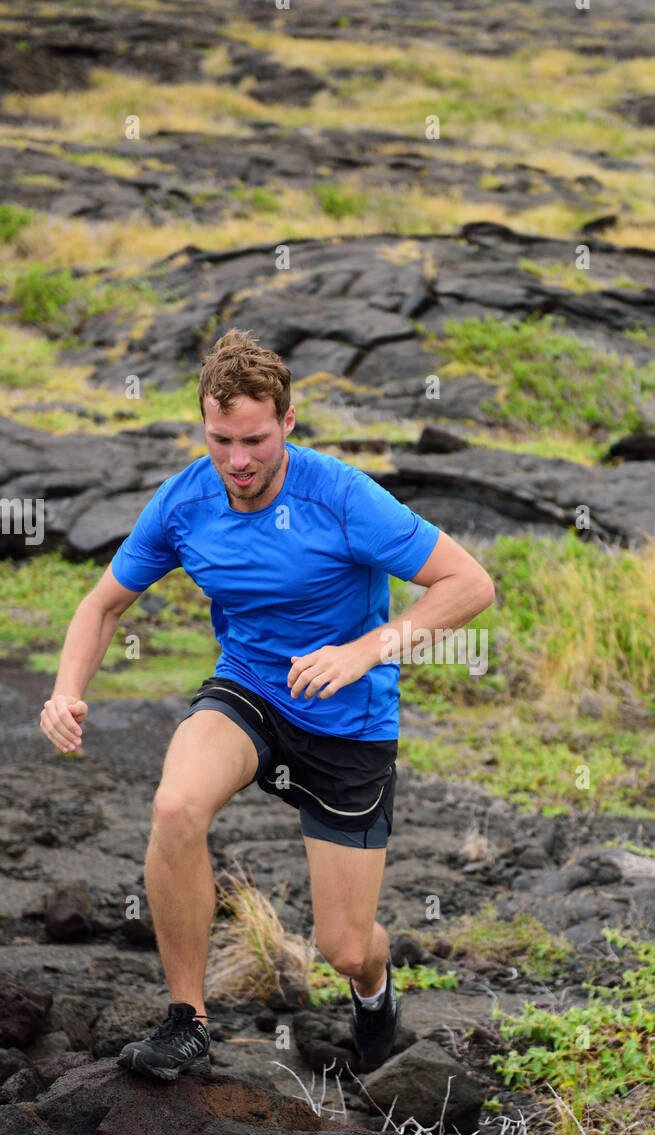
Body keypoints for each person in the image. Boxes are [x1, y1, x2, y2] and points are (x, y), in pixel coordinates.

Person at [38, 329, 495, 1081]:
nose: (237, 460)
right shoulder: (185, 500)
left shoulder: (340, 495)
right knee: (175, 808)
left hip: (348, 719)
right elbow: (102, 605)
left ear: (287, 423)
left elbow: (468, 584)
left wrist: (361, 651)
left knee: (345, 947)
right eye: (220, 440)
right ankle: (188, 1021)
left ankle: (375, 996)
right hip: (248, 689)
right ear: (203, 428)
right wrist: (66, 691)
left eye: (254, 439)